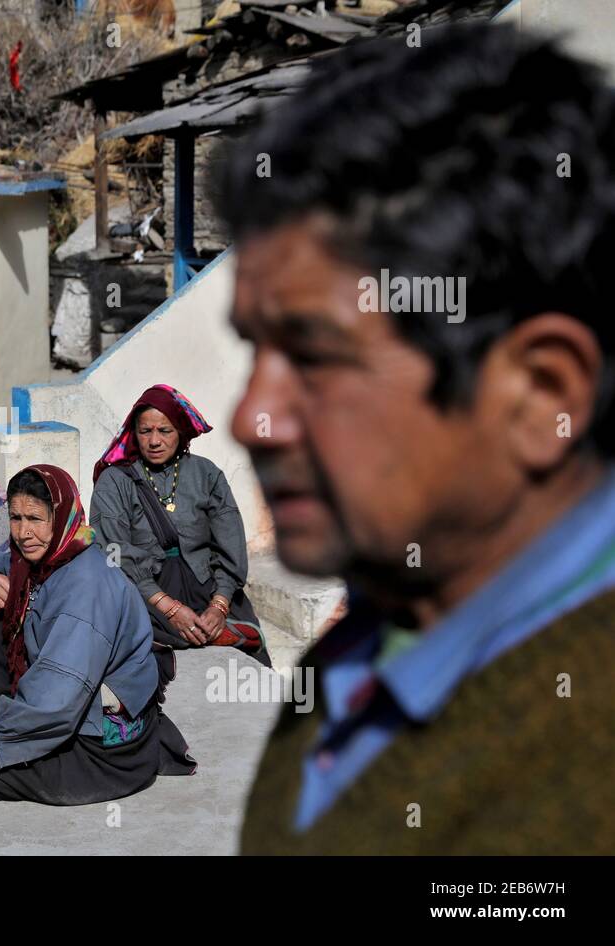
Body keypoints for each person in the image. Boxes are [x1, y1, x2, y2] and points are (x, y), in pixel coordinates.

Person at [214, 25, 615, 853]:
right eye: (255, 350)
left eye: (315, 356)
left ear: (540, 394)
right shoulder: (384, 622)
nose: (250, 417)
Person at [0, 464, 195, 806]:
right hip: (64, 705)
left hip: (100, 750)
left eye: (35, 519)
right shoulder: (32, 556)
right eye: (15, 518)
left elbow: (56, 704)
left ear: (61, 517)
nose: (23, 532)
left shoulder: (85, 587)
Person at [90, 383, 269, 668]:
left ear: (181, 432)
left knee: (252, 649)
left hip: (205, 586)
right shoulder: (115, 481)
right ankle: (181, 633)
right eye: (145, 431)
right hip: (147, 590)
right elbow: (113, 550)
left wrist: (219, 605)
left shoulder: (205, 473)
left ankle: (215, 628)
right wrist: (169, 608)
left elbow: (230, 542)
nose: (154, 441)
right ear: (134, 433)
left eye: (165, 431)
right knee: (135, 633)